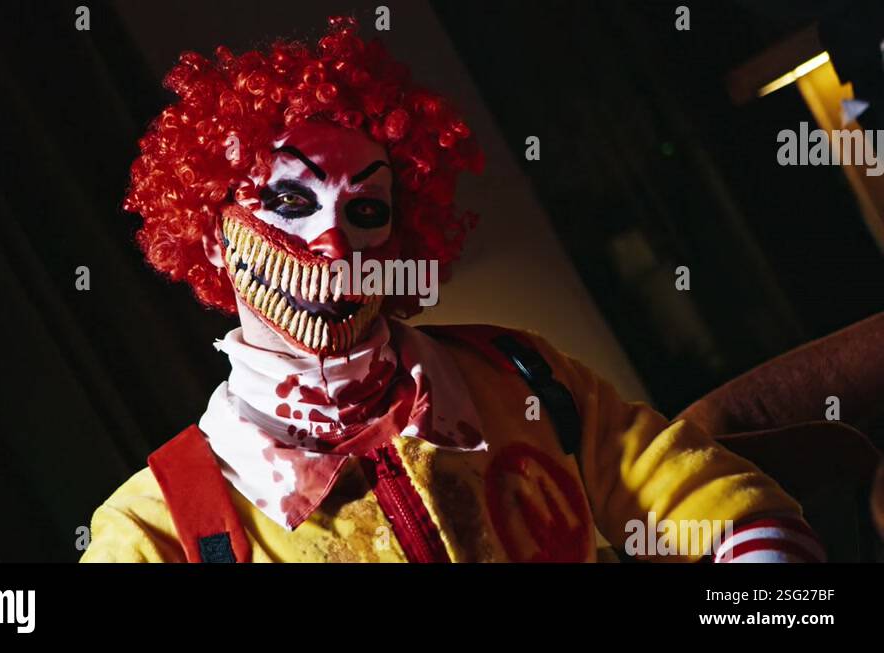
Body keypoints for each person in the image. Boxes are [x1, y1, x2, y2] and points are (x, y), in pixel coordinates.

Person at [81, 17, 822, 563]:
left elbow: (709, 506)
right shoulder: (158, 527)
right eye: (291, 204)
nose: (336, 246)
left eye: (366, 211)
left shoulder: (520, 376)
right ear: (214, 234)